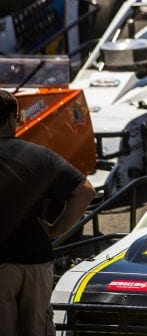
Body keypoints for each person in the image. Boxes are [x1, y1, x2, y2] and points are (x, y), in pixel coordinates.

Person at [0, 89, 95, 335]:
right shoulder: (40, 155)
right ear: (13, 118)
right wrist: (57, 229)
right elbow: (85, 190)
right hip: (36, 261)